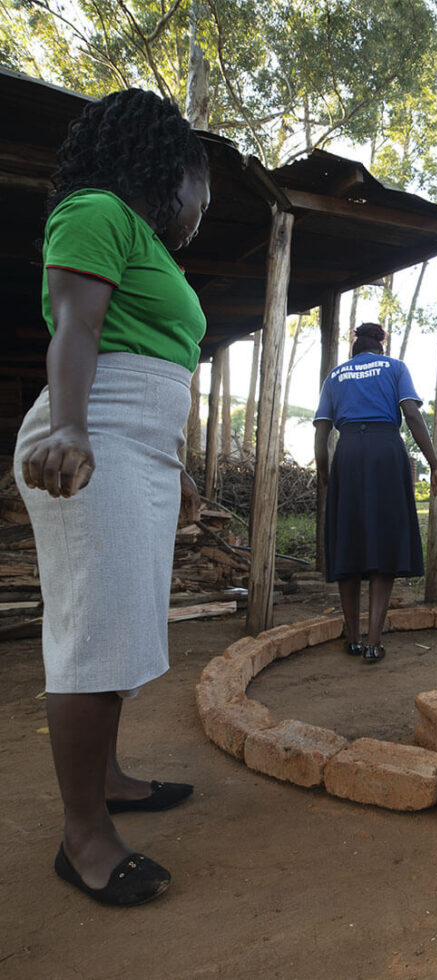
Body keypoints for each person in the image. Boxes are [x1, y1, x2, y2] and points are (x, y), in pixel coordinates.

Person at [14, 89, 211, 905]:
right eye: (205, 188)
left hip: (136, 441)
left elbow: (152, 363)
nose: (204, 208)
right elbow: (78, 327)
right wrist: (72, 429)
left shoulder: (151, 248)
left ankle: (115, 779)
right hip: (88, 435)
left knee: (122, 621)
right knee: (93, 628)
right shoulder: (95, 211)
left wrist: (174, 463)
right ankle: (83, 835)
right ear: (172, 172)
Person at [314, 323, 437, 662]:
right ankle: (374, 642)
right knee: (384, 539)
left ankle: (353, 638)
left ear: (355, 348)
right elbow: (413, 416)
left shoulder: (335, 377)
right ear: (380, 347)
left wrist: (327, 475)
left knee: (349, 540)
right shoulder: (395, 368)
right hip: (385, 449)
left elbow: (321, 434)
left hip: (348, 453)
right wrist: (434, 464)